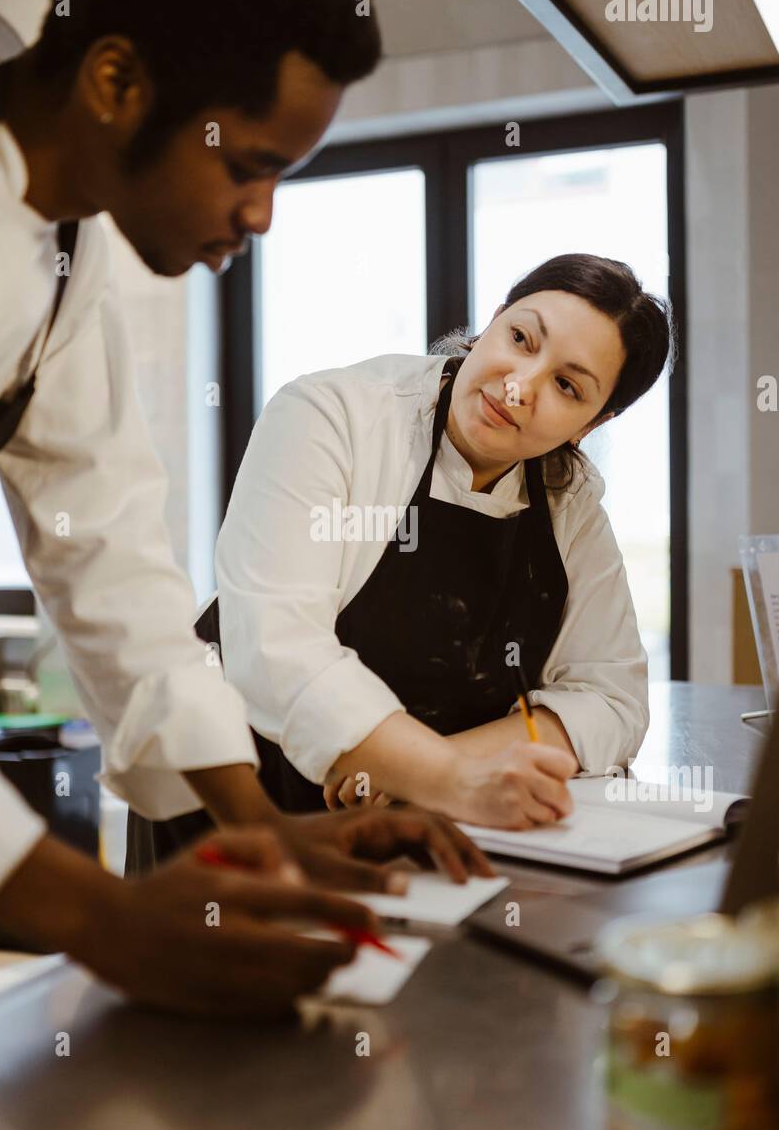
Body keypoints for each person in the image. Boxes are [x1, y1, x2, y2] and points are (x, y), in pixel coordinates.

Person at [0, 0, 489, 1017]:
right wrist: (102, 918)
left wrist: (265, 829)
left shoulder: (63, 263)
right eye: (248, 165)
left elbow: (116, 574)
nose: (261, 216)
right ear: (116, 80)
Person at [131, 253, 673, 861]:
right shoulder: (332, 416)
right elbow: (277, 654)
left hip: (418, 820)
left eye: (567, 386)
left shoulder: (568, 501)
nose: (519, 387)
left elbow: (612, 701)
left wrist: (429, 773)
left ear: (593, 422)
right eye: (519, 338)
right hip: (237, 800)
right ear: (491, 322)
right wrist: (440, 776)